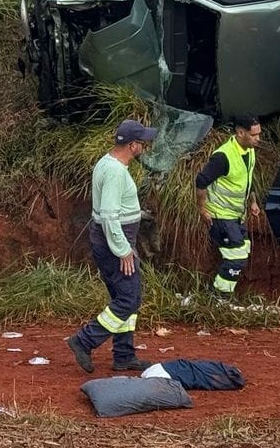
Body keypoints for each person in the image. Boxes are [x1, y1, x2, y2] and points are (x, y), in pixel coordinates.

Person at [67, 119, 157, 374]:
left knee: (125, 297)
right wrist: (123, 250)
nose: (145, 147)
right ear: (132, 146)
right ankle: (84, 341)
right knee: (129, 298)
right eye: (142, 143)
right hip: (115, 242)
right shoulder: (116, 172)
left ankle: (124, 355)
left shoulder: (107, 163)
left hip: (113, 239)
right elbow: (108, 215)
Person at [194, 117, 265, 298]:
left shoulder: (249, 151)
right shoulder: (223, 156)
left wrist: (253, 201)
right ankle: (218, 297)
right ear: (240, 133)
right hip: (220, 216)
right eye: (254, 135)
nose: (258, 139)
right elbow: (201, 181)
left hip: (236, 215)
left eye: (259, 134)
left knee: (242, 251)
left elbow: (248, 178)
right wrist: (202, 209)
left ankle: (220, 296)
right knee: (236, 258)